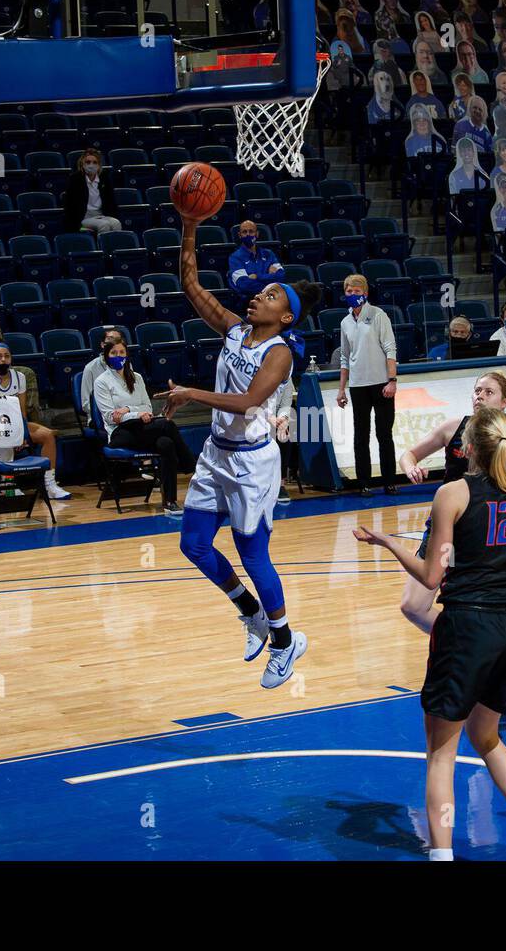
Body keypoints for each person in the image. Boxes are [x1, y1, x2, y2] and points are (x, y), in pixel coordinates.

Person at [354, 406, 506, 862]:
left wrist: (390, 544)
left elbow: (431, 577)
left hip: (468, 626)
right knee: (487, 736)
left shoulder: (452, 493)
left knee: (441, 754)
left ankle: (442, 855)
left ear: (466, 448)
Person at [159, 209, 317, 690]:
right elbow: (191, 287)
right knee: (194, 545)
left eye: (269, 294)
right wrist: (189, 225)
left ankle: (286, 640)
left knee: (253, 556)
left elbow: (250, 401)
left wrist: (190, 393)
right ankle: (250, 613)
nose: (257, 297)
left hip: (252, 463)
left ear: (284, 315)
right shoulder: (233, 330)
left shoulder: (280, 352)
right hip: (216, 452)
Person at [93, 338, 193, 514]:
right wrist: (136, 413)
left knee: (166, 444)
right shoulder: (102, 381)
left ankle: (169, 502)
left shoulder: (137, 378)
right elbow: (110, 417)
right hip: (120, 433)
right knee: (166, 424)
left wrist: (128, 409)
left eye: (121, 352)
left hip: (143, 429)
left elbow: (147, 407)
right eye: (114, 353)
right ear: (107, 356)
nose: (118, 356)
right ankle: (191, 467)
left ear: (127, 354)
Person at [0, 342, 71, 500]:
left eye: (7, 356)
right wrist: (12, 437)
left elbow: (21, 411)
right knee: (4, 440)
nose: (3, 360)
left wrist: (21, 434)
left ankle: (49, 484)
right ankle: (7, 485)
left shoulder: (20, 377)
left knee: (48, 435)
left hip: (16, 423)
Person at [336, 275, 398, 495]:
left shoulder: (378, 315)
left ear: (365, 292)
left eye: (356, 291)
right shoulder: (345, 322)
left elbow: (390, 348)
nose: (353, 295)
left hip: (382, 383)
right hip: (358, 385)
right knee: (360, 435)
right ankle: (364, 483)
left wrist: (392, 380)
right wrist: (342, 389)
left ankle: (389, 481)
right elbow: (345, 357)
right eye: (349, 291)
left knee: (384, 434)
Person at [62, 148, 121, 234]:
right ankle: (102, 247)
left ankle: (117, 247)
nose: (91, 165)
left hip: (101, 215)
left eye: (94, 162)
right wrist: (75, 226)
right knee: (104, 225)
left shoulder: (104, 178)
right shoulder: (75, 179)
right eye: (88, 162)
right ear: (82, 164)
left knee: (116, 223)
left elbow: (111, 201)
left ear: (99, 165)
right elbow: (69, 205)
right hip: (84, 218)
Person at [77, 327, 124, 425]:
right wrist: (111, 411)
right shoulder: (90, 368)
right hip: (100, 416)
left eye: (117, 342)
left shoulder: (127, 365)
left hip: (126, 413)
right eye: (110, 342)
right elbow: (86, 404)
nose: (113, 345)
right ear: (103, 345)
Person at [228, 219, 284, 298]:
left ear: (257, 234)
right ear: (239, 235)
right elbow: (244, 285)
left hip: (271, 301)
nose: (248, 235)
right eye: (244, 232)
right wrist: (269, 281)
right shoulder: (235, 258)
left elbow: (281, 276)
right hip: (249, 302)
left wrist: (257, 277)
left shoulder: (269, 254)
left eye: (251, 231)